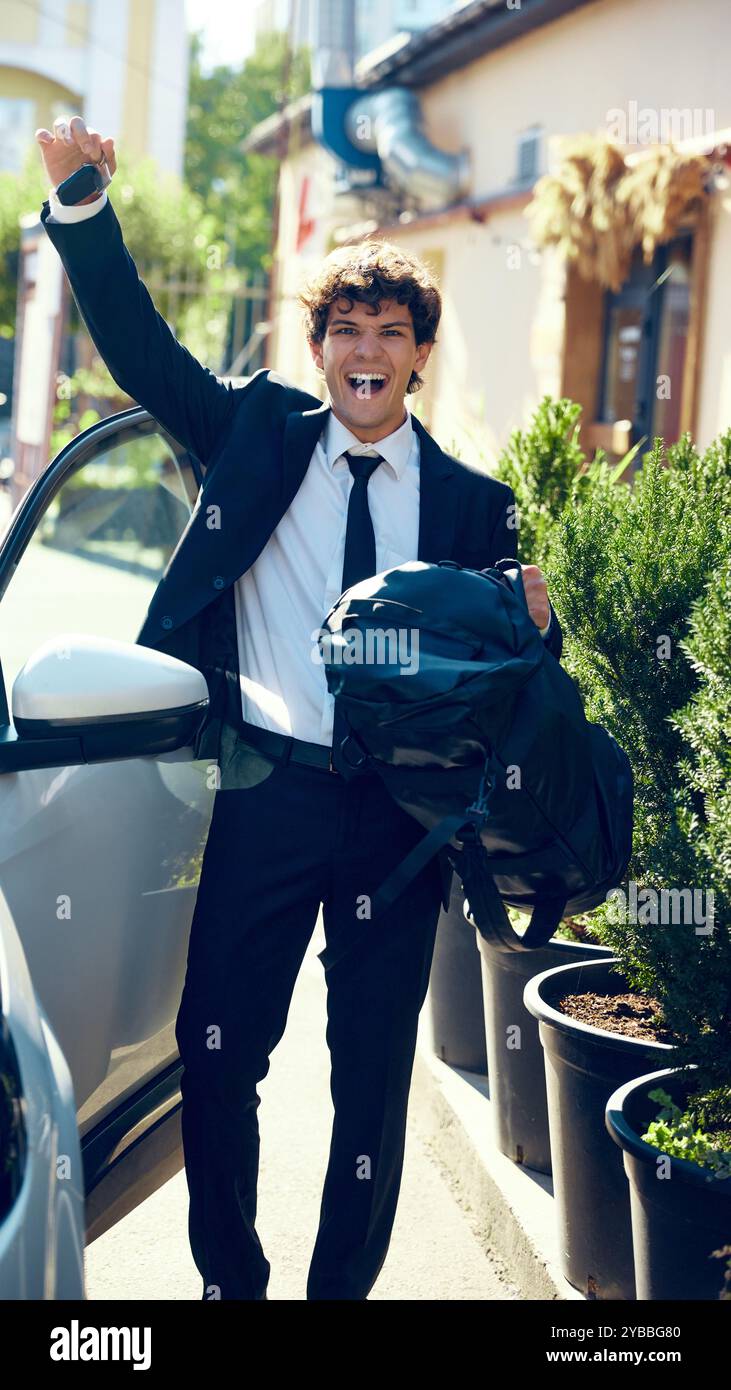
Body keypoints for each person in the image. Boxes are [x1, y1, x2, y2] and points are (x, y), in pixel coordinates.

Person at [36, 115, 563, 1301]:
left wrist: (540, 624)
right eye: (345, 330)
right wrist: (81, 201)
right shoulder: (254, 436)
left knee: (370, 1075)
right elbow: (139, 345)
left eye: (389, 331)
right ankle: (233, 1280)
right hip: (265, 792)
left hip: (398, 817)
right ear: (320, 348)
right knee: (219, 1060)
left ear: (419, 353)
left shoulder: (475, 507)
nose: (365, 350)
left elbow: (511, 667)